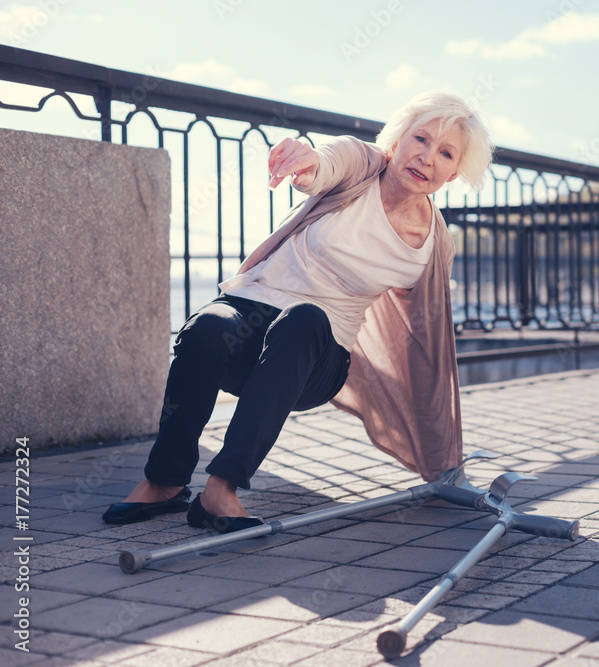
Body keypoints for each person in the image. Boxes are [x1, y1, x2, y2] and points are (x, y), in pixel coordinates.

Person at [103, 91, 494, 533]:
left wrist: (443, 451)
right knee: (207, 328)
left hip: (316, 356)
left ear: (456, 171)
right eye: (420, 139)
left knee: (303, 319)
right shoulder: (362, 165)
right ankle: (165, 482)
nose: (426, 157)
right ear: (396, 141)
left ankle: (221, 489)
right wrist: (303, 162)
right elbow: (324, 164)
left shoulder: (433, 246)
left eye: (444, 152)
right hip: (250, 319)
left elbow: (428, 342)